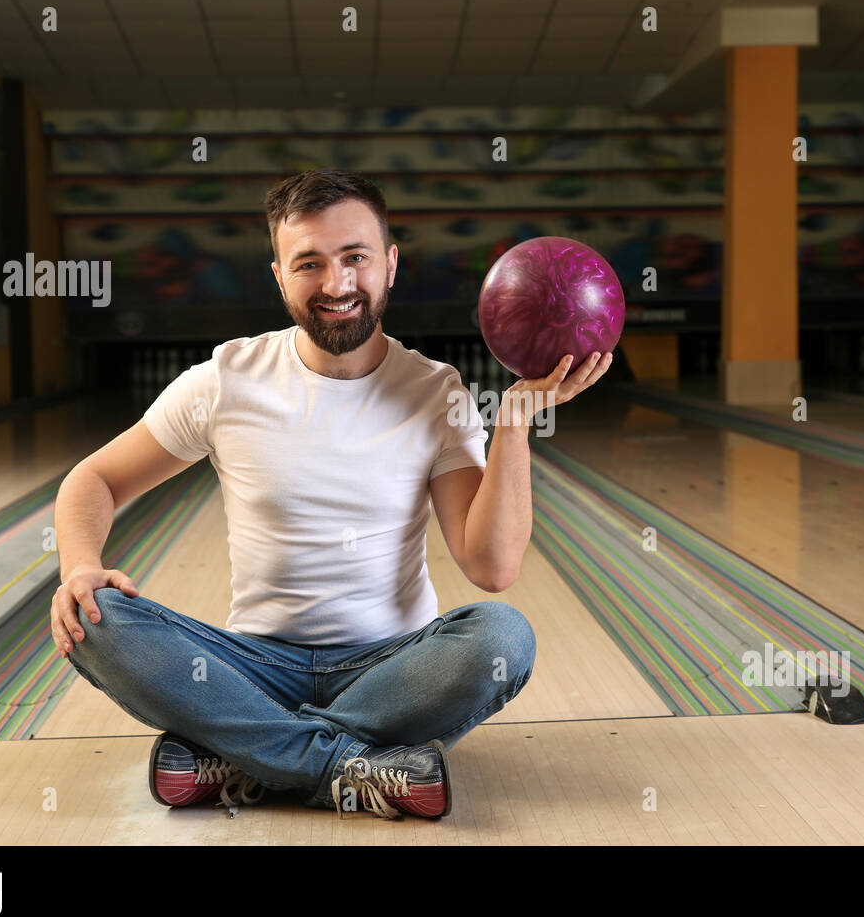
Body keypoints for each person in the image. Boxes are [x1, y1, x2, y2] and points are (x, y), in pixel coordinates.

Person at [48, 169, 613, 821]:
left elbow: (492, 567)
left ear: (390, 264)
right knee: (92, 614)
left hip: (391, 670)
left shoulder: (437, 393)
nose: (337, 283)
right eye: (309, 263)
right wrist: (81, 566)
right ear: (279, 276)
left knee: (503, 638)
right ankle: (347, 767)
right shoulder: (226, 381)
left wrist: (514, 426)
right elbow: (93, 480)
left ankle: (246, 752)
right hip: (253, 664)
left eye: (355, 258)